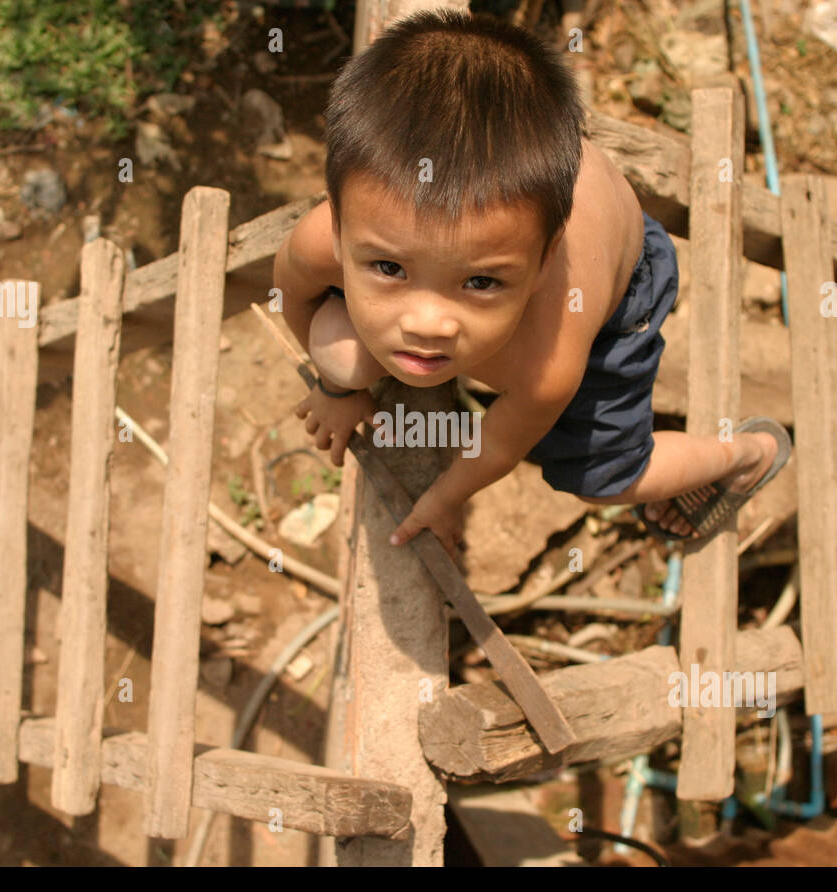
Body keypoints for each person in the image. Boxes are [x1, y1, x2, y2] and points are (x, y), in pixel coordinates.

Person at [273, 9, 790, 560]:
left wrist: (445, 497)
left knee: (603, 480)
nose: (428, 323)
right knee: (342, 353)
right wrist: (336, 389)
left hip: (621, 294)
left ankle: (745, 455)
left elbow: (498, 440)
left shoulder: (551, 357)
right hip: (533, 207)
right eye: (389, 269)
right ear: (337, 227)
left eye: (480, 282)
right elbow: (292, 294)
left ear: (545, 263)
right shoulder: (317, 242)